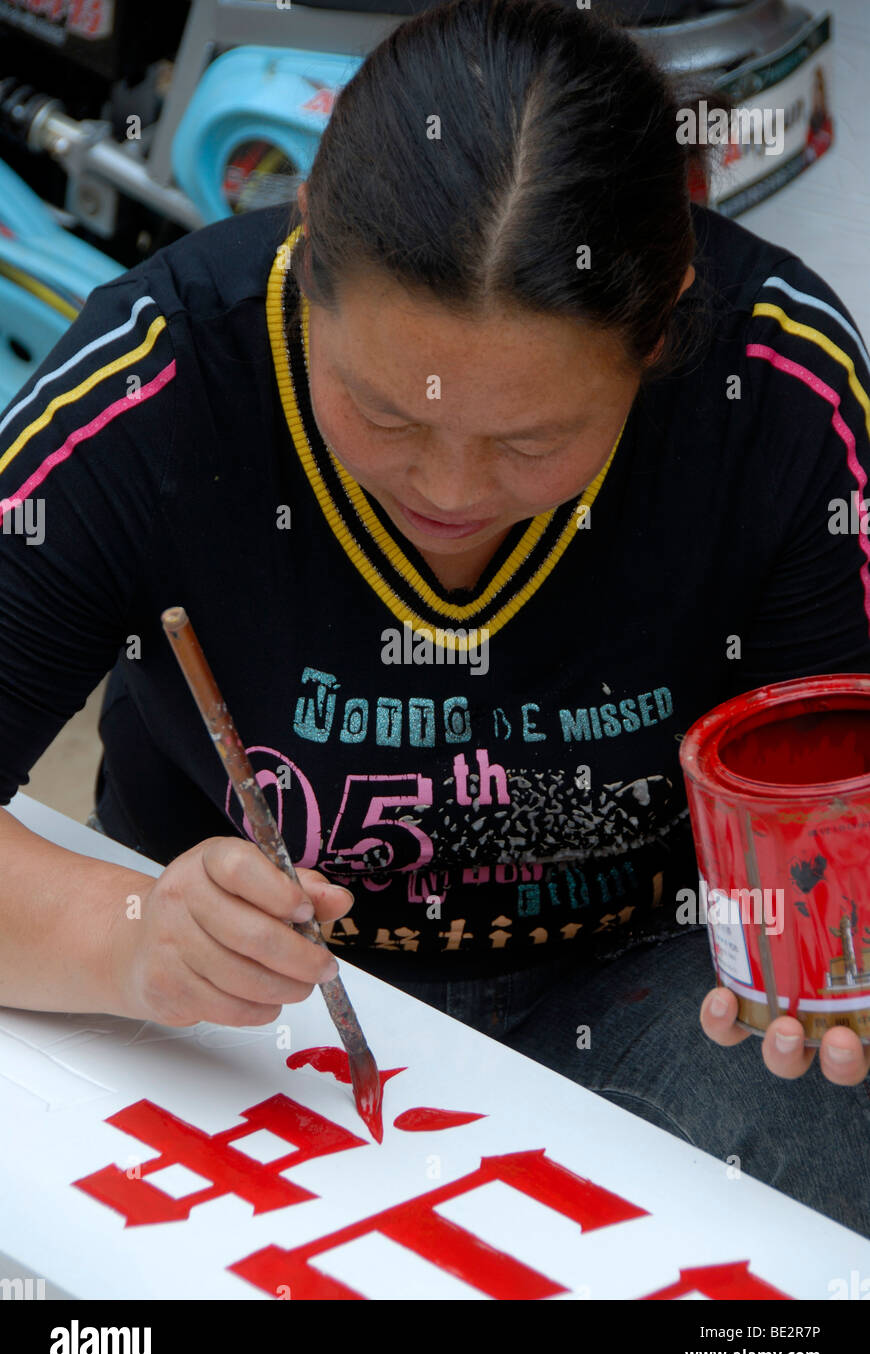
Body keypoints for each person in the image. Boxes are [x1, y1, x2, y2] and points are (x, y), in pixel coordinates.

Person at [0, 0, 868, 1238]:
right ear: (308, 247)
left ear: (667, 317)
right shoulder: (160, 378)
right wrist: (128, 931)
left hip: (652, 986)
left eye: (532, 440)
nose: (451, 495)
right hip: (237, 1003)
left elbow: (837, 821)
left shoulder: (771, 391)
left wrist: (831, 955)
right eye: (387, 415)